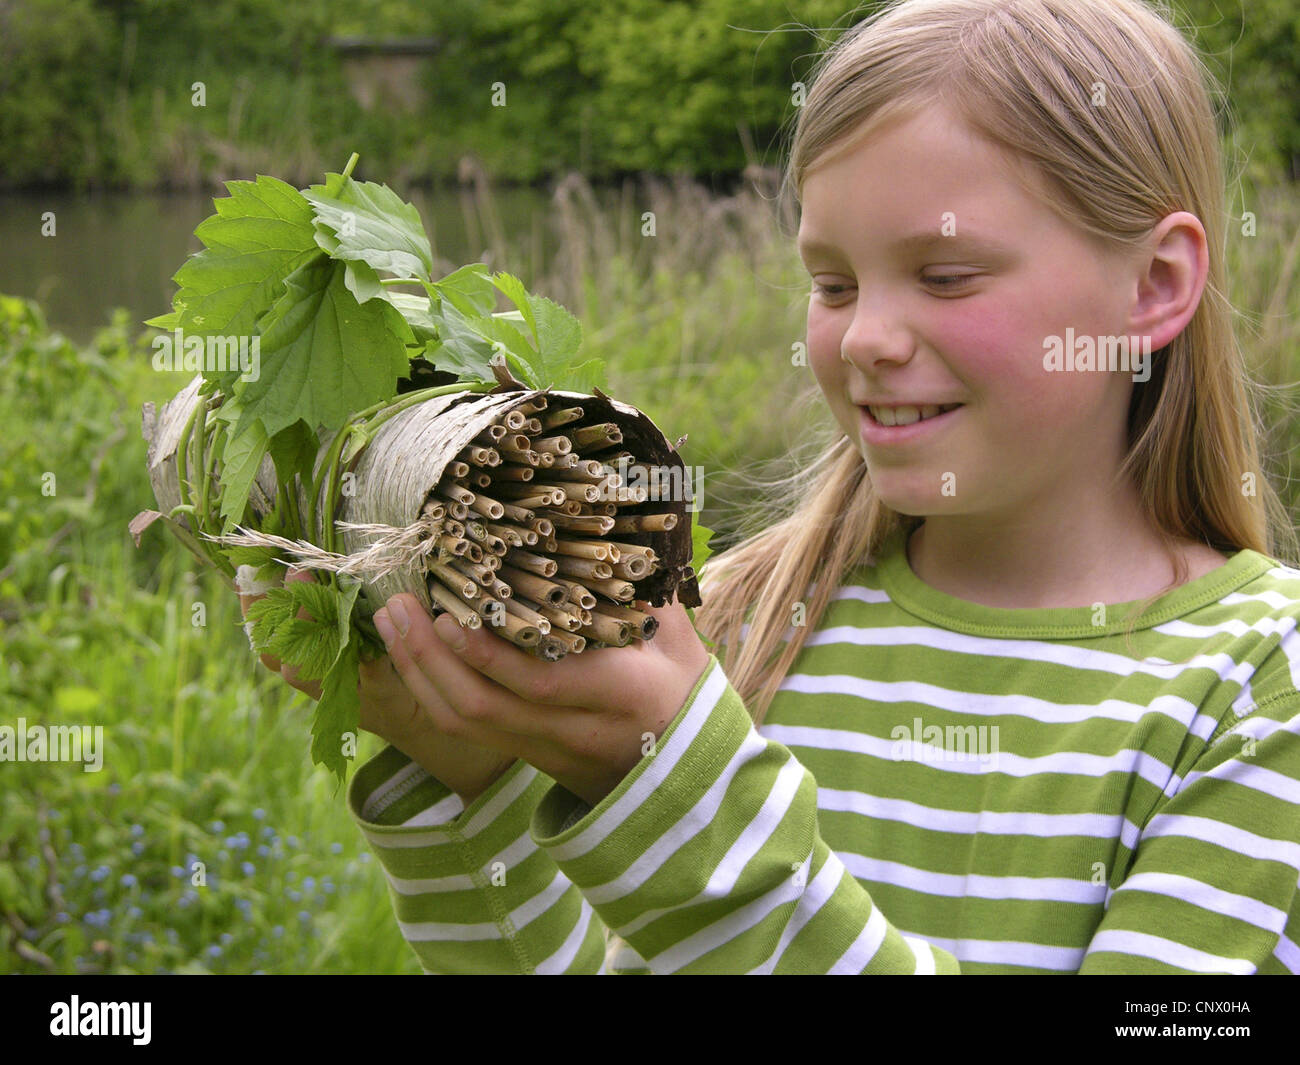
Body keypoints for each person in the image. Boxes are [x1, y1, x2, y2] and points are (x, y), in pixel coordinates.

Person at [239, 0, 1300, 973]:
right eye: (831, 283)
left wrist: (685, 809)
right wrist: (468, 783)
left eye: (944, 276)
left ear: (1153, 285)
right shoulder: (746, 617)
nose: (867, 338)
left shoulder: (1259, 687)